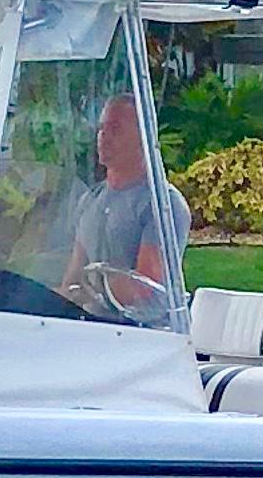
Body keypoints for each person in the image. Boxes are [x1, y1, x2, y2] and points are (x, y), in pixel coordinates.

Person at [65, 92, 188, 317]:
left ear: (144, 137)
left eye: (115, 129)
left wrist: (84, 291)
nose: (103, 136)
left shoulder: (163, 204)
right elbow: (73, 277)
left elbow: (144, 287)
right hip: (88, 328)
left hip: (144, 334)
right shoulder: (89, 200)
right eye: (102, 128)